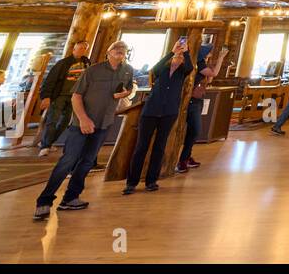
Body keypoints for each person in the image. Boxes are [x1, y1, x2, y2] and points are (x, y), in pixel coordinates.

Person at [33, 41, 134, 220]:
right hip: (82, 123)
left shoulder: (127, 70)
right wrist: (83, 119)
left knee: (87, 162)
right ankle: (44, 201)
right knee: (68, 161)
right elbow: (76, 96)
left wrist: (125, 93)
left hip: (104, 123)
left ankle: (71, 197)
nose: (120, 53)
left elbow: (127, 88)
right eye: (116, 50)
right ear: (108, 52)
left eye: (123, 50)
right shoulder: (93, 71)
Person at [123, 38, 192, 194]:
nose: (178, 59)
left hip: (169, 112)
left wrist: (186, 52)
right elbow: (155, 68)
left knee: (159, 147)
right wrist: (172, 51)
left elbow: (190, 67)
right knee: (141, 147)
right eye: (177, 57)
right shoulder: (162, 71)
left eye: (181, 58)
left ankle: (151, 180)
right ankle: (131, 182)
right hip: (151, 111)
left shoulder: (182, 73)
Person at [177, 41, 225, 173]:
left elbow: (209, 79)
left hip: (197, 100)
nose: (210, 53)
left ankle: (186, 156)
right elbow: (214, 73)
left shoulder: (201, 64)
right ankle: (182, 160)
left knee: (194, 131)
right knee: (194, 130)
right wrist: (221, 58)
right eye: (208, 51)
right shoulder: (199, 64)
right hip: (191, 101)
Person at [37, 41, 91, 156]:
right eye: (80, 48)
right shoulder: (63, 63)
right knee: (52, 120)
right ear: (74, 49)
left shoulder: (87, 63)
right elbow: (50, 79)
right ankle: (45, 146)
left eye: (85, 48)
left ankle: (49, 142)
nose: (82, 50)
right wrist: (46, 96)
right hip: (60, 95)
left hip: (75, 97)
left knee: (65, 122)